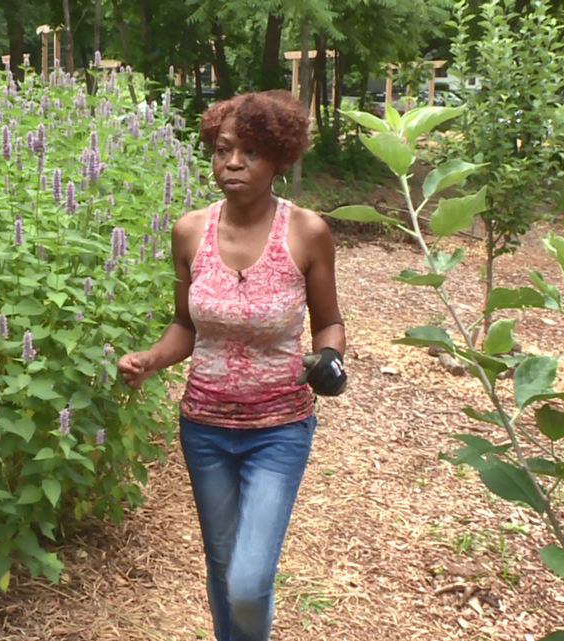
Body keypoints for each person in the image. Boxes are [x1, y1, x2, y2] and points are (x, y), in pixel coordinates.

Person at [117, 90, 348, 641]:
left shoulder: (306, 232)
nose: (234, 163)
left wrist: (331, 359)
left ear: (280, 159)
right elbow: (185, 326)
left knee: (248, 581)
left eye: (251, 152)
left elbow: (330, 322)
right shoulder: (189, 231)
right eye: (223, 150)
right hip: (205, 428)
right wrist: (150, 360)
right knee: (222, 567)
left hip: (279, 428)